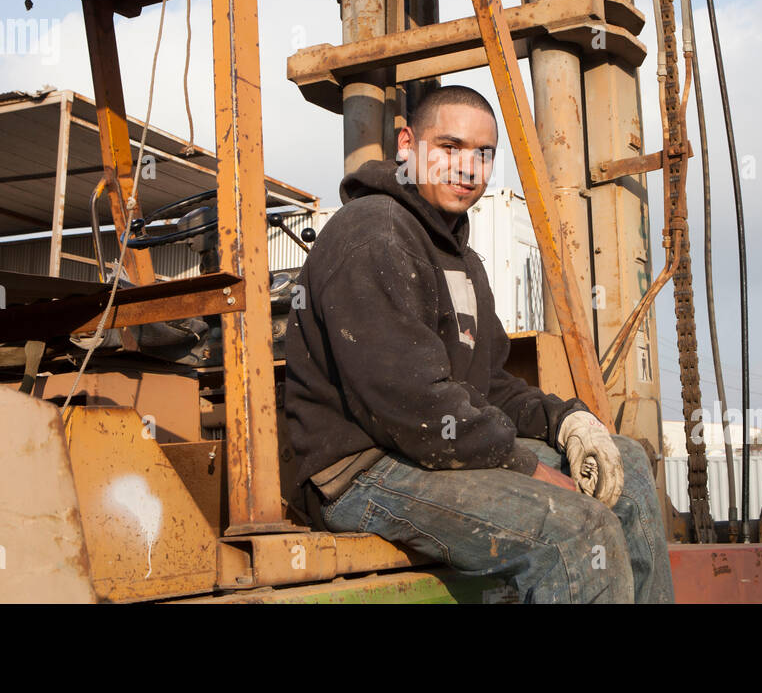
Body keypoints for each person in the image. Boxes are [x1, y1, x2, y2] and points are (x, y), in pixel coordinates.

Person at [284, 85, 673, 603]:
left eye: (482, 154)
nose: (466, 168)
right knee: (577, 530)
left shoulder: (462, 261)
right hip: (360, 470)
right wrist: (527, 468)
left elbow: (486, 386)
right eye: (449, 147)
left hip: (426, 450)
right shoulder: (374, 233)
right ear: (407, 144)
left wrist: (567, 421)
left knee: (628, 472)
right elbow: (412, 406)